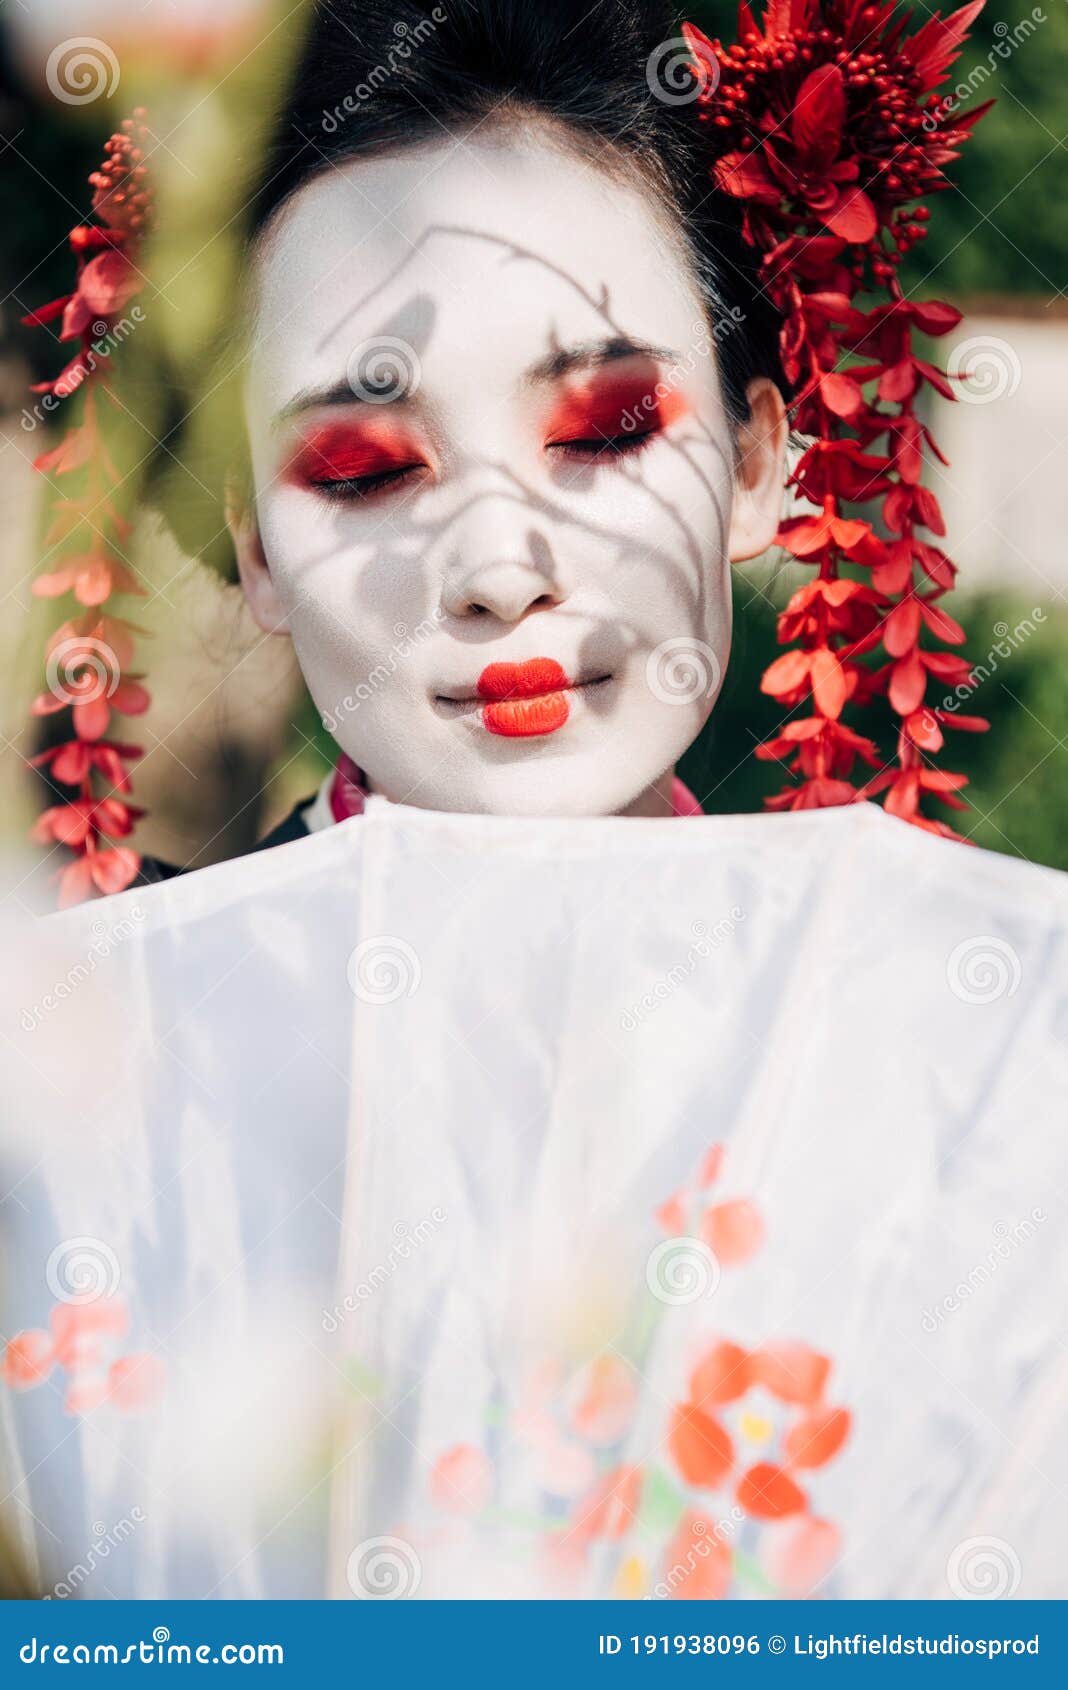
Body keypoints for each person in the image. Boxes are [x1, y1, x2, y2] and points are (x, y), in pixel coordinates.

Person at [8, 0, 1064, 1606]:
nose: (500, 569)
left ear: (769, 450)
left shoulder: (980, 1069)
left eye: (609, 427)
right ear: (252, 542)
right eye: (364, 467)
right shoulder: (93, 1098)